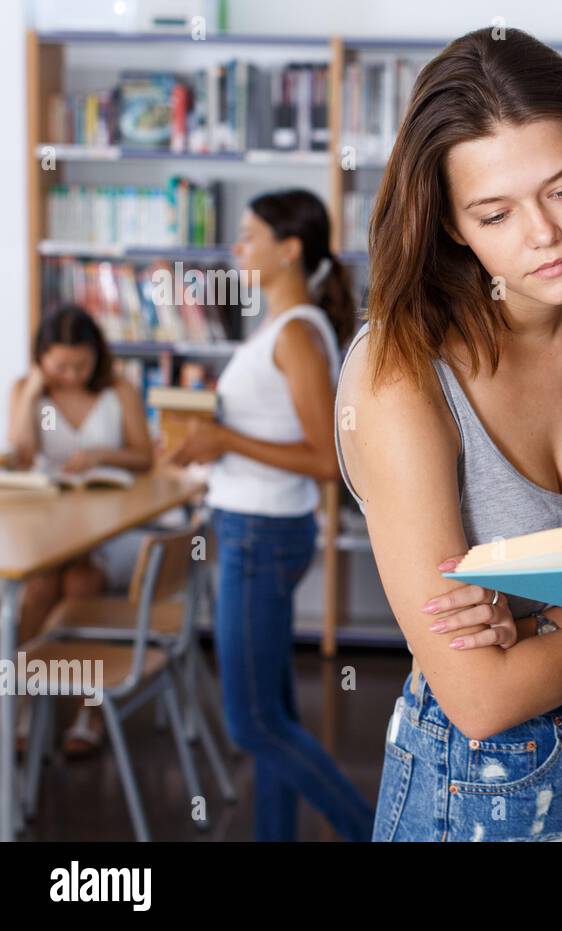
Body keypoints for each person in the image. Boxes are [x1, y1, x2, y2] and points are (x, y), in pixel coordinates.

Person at [334, 27, 562, 842]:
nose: (543, 234)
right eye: (494, 212)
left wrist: (540, 625)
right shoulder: (400, 373)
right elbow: (480, 694)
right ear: (454, 224)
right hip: (481, 785)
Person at [167, 188, 374, 841]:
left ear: (289, 249)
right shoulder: (280, 325)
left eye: (249, 235)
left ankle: (371, 830)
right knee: (273, 711)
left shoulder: (297, 333)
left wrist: (225, 440)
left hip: (260, 534)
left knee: (251, 722)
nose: (237, 249)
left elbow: (324, 457)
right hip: (252, 526)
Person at [7, 304, 154, 757]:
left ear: (97, 356)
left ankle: (86, 709)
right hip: (48, 526)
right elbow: (22, 457)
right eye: (59, 365)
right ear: (41, 358)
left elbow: (144, 457)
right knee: (41, 585)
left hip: (109, 526)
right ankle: (26, 705)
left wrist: (100, 457)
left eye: (81, 364)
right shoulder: (26, 390)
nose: (70, 375)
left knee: (82, 580)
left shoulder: (119, 390)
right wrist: (32, 391)